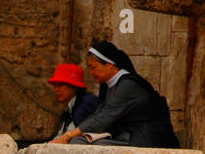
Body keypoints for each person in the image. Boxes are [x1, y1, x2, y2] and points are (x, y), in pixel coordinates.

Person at [51, 41, 179, 148]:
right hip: (127, 136)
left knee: (79, 143)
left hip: (146, 139)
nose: (91, 72)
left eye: (94, 67)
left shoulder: (128, 85)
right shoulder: (108, 86)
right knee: (78, 142)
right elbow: (99, 113)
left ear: (110, 65)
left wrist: (67, 135)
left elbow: (104, 118)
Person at [47, 62, 99, 140]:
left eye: (61, 85)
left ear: (74, 86)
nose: (57, 89)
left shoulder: (84, 104)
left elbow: (72, 135)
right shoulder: (71, 106)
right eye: (55, 85)